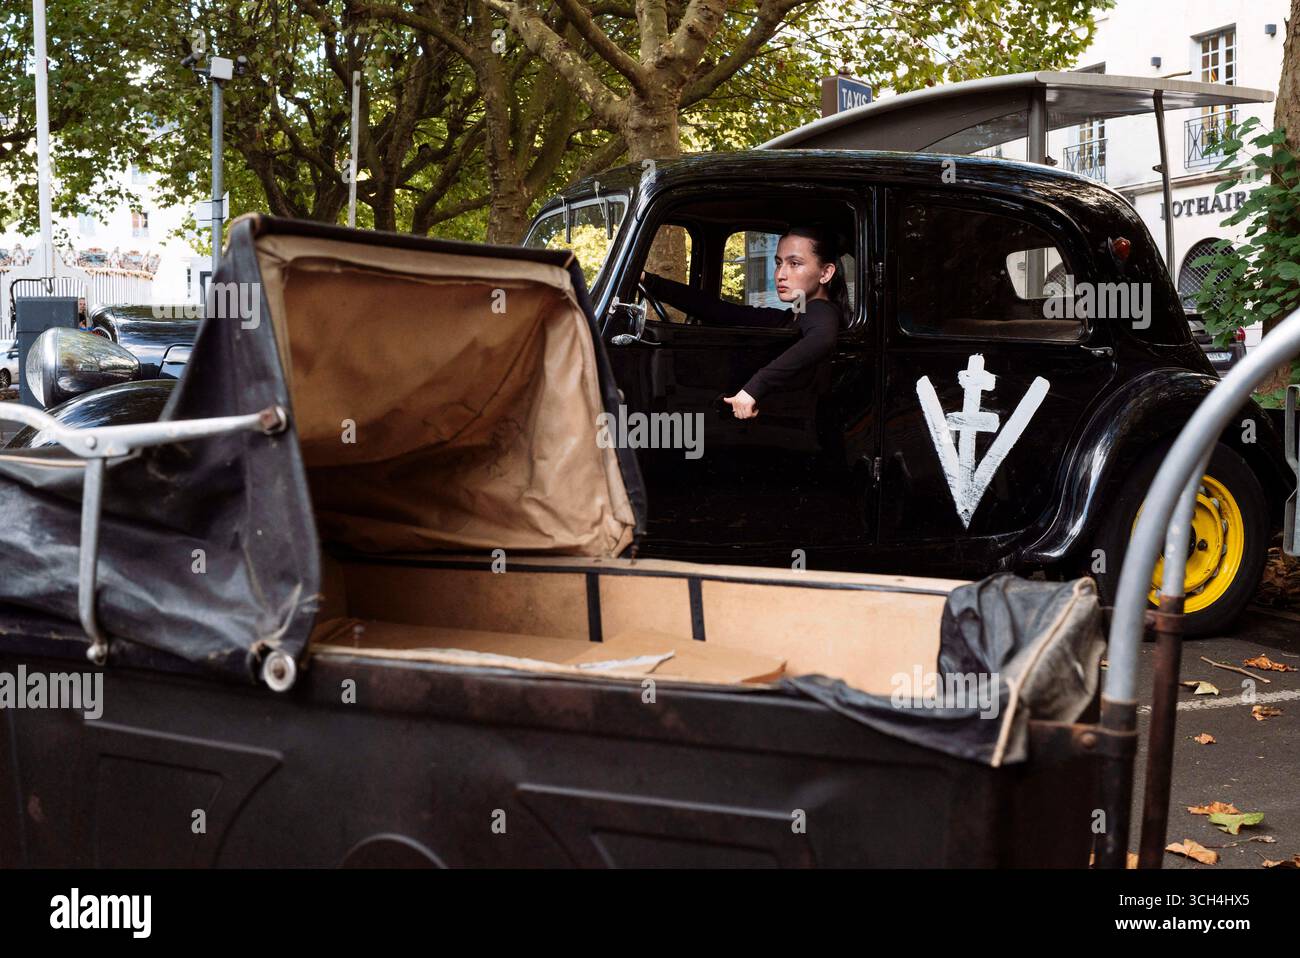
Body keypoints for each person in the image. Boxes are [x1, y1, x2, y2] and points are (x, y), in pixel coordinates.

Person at [640, 223, 848, 419]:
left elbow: (822, 339)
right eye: (778, 263)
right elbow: (720, 311)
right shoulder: (794, 315)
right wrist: (649, 281)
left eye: (794, 264)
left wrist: (753, 389)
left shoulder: (820, 309)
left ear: (826, 273)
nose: (780, 274)